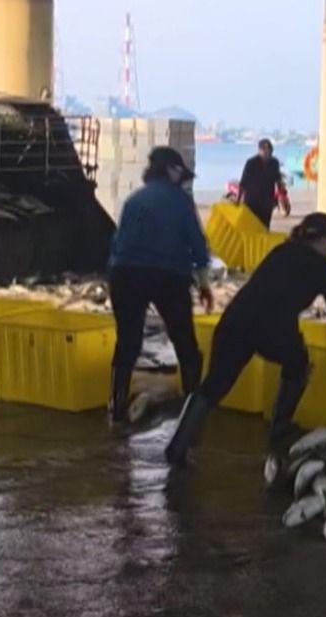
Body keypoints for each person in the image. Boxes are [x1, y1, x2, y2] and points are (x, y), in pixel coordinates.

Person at [162, 213, 326, 467]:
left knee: (213, 386)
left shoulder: (282, 251)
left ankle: (177, 447)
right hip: (272, 327)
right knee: (298, 364)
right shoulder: (321, 267)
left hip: (234, 320)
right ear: (320, 240)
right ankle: (279, 428)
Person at [108, 147, 214, 425]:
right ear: (172, 171)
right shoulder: (180, 201)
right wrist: (204, 285)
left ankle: (116, 407)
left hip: (124, 274)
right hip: (167, 276)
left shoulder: (133, 200)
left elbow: (118, 244)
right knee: (184, 342)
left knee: (128, 342)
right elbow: (198, 246)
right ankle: (192, 406)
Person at [237, 138, 290, 228]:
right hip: (252, 201)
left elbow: (278, 180)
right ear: (259, 150)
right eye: (264, 150)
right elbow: (243, 183)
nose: (267, 153)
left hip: (267, 202)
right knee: (251, 226)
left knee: (264, 227)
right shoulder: (251, 163)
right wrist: (238, 200)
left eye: (269, 150)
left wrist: (282, 195)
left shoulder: (274, 163)